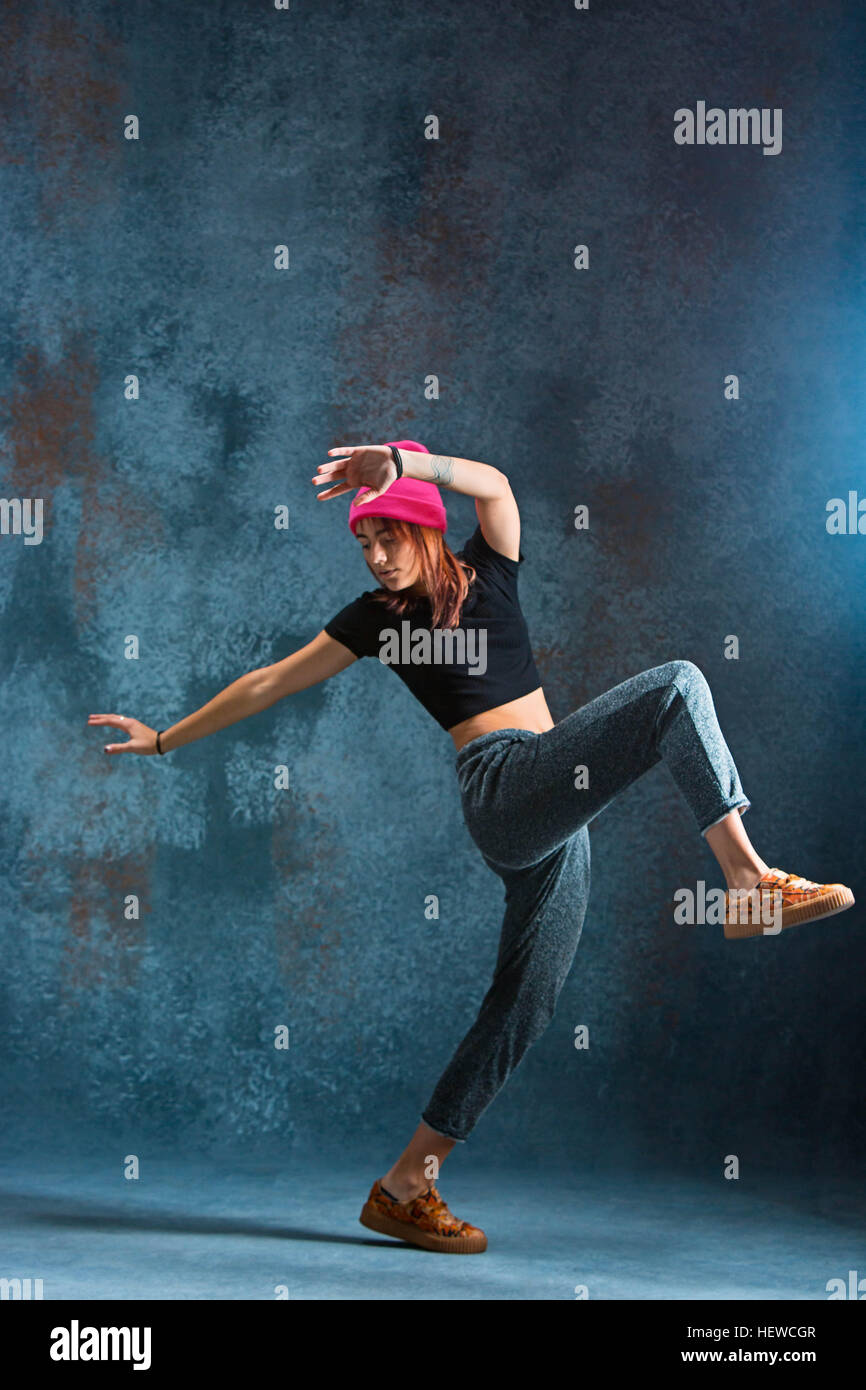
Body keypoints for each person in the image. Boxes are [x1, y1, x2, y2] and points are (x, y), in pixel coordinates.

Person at [88, 439, 855, 1257]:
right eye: (364, 543)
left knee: (524, 1005)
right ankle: (747, 881)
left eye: (388, 537)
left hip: (556, 813)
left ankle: (405, 1184)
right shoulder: (374, 621)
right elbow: (270, 680)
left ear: (425, 530)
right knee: (677, 687)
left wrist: (399, 460)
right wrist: (166, 739)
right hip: (503, 789)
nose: (377, 557)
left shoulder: (492, 570)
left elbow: (494, 485)